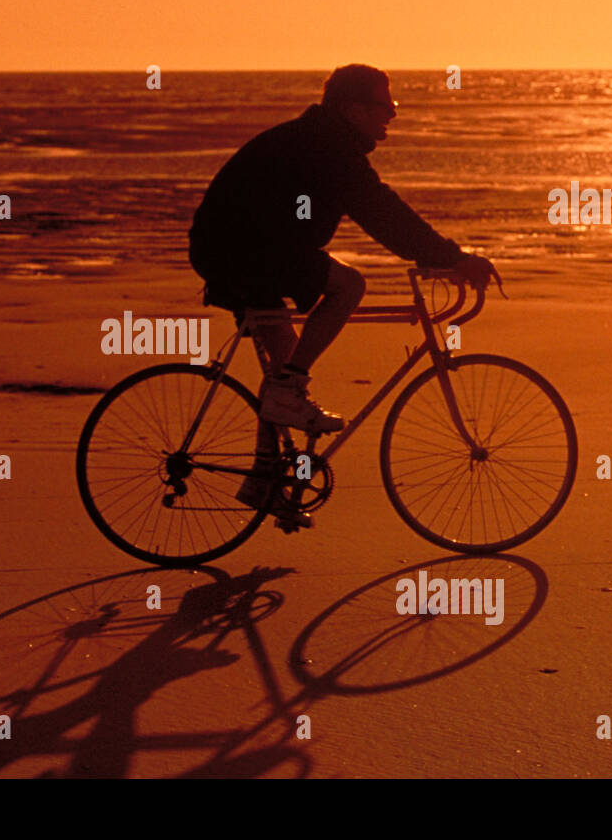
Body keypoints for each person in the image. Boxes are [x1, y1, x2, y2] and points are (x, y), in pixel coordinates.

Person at [188, 64, 499, 525]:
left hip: (240, 246)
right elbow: (382, 214)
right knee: (349, 285)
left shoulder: (323, 138)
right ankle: (290, 393)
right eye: (384, 106)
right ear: (354, 109)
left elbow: (380, 211)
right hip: (244, 248)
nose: (391, 115)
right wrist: (452, 258)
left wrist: (443, 256)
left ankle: (265, 480)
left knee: (282, 360)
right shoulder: (328, 147)